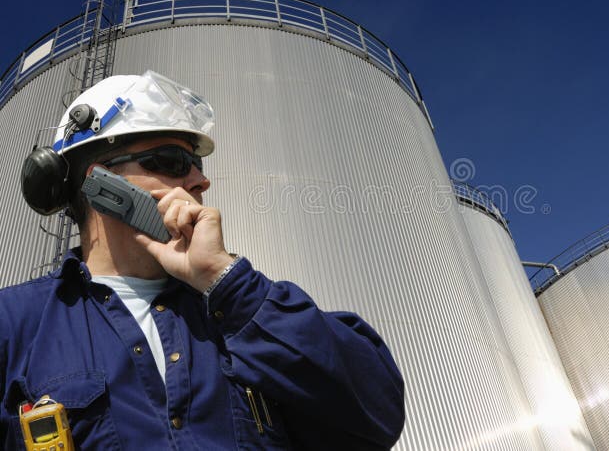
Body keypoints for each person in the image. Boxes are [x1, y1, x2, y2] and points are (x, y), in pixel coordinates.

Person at [2, 71, 405, 449]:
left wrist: (224, 281)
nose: (200, 180)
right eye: (173, 162)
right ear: (101, 182)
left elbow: (377, 415)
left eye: (197, 165)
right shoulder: (15, 324)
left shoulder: (243, 314)